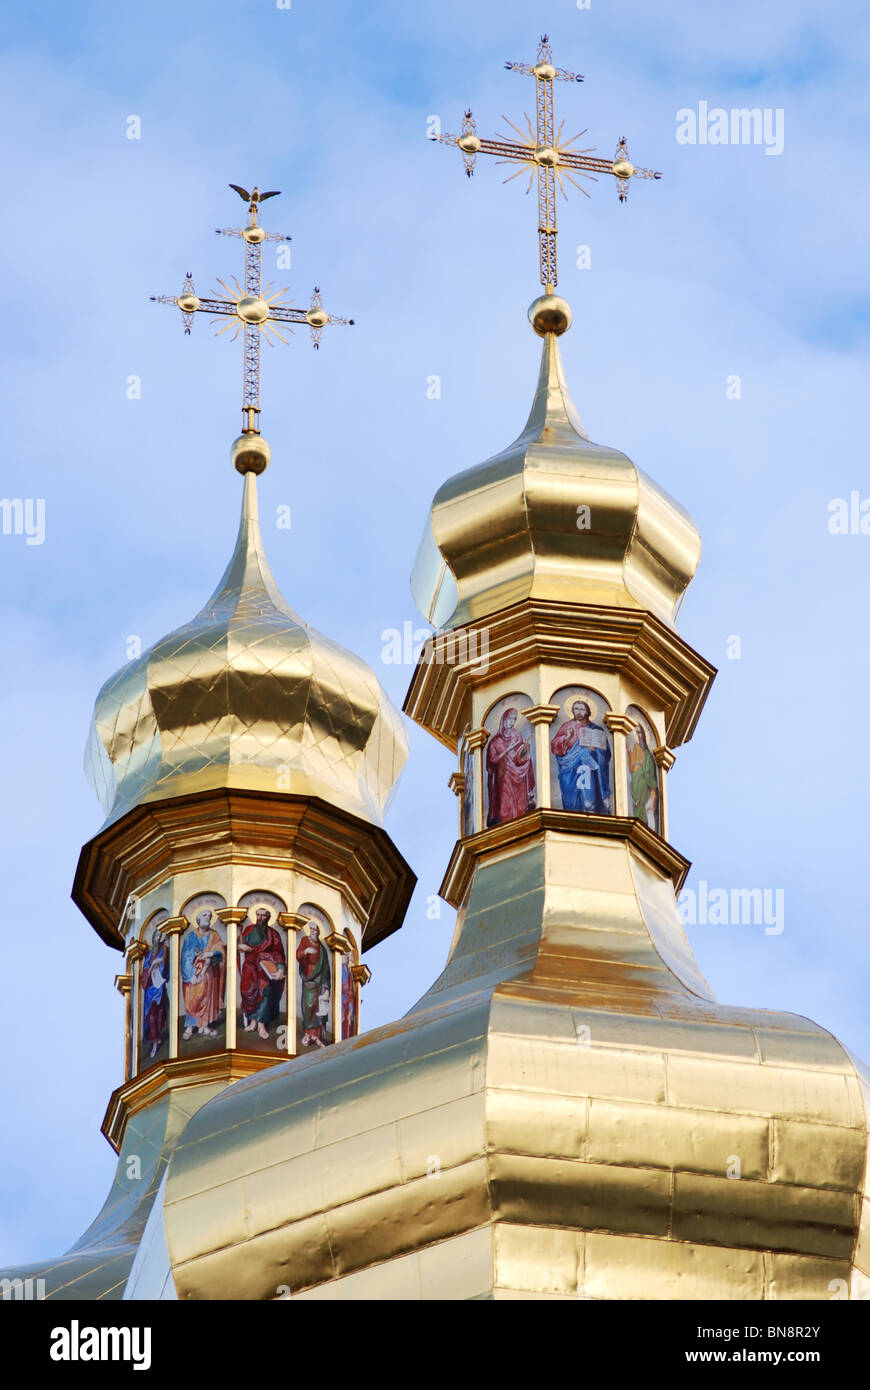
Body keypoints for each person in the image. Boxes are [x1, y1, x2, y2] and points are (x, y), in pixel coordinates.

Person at [550, 699, 612, 814]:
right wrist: (567, 737)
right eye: (576, 709)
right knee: (570, 800)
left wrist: (595, 750)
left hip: (587, 770)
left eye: (582, 709)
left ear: (587, 712)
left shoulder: (596, 729)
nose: (578, 712)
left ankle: (593, 806)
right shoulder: (566, 726)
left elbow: (606, 754)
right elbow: (554, 746)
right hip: (568, 767)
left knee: (588, 799)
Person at [239, 906, 286, 1042]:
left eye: (263, 915)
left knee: (265, 993)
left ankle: (261, 1025)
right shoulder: (248, 930)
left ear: (267, 917)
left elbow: (278, 953)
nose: (260, 918)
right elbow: (238, 943)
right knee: (249, 993)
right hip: (250, 968)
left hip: (265, 968)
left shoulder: (273, 934)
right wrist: (240, 947)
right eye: (258, 915)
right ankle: (253, 1021)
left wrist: (280, 969)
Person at [485, 707, 536, 826]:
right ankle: (507, 823)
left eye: (514, 719)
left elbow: (519, 757)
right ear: (503, 720)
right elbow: (492, 760)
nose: (511, 722)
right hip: (504, 775)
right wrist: (507, 750)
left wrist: (526, 747)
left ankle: (520, 821)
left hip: (518, 773)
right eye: (509, 719)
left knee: (519, 800)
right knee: (506, 800)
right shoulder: (495, 741)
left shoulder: (517, 734)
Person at [181, 909, 226, 1041]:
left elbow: (220, 949)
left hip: (209, 973)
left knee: (208, 997)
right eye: (205, 915)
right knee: (194, 998)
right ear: (198, 919)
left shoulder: (214, 934)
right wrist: (191, 975)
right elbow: (186, 956)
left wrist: (211, 954)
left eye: (210, 916)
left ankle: (204, 1026)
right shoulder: (191, 936)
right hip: (194, 973)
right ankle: (190, 1026)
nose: (208, 917)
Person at [296, 924, 332, 1048]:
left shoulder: (322, 949)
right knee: (308, 1007)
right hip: (308, 979)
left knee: (319, 1009)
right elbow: (298, 955)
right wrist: (305, 951)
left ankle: (316, 1036)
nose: (312, 931)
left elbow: (326, 970)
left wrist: (327, 989)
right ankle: (308, 1034)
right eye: (311, 929)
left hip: (319, 981)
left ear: (318, 932)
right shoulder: (305, 941)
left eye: (315, 930)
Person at [141, 928, 168, 1060]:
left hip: (160, 986)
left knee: (159, 1012)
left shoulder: (163, 949)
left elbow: (165, 960)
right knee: (151, 1014)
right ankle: (154, 1039)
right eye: (156, 935)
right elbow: (145, 971)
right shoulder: (149, 955)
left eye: (160, 935)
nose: (158, 937)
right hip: (150, 988)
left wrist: (160, 961)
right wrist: (151, 967)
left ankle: (158, 1039)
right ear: (153, 939)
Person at [628, 721, 659, 829]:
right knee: (636, 810)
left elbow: (650, 778)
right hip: (635, 786)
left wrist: (652, 795)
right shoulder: (635, 749)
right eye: (636, 733)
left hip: (643, 788)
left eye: (640, 733)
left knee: (642, 815)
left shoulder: (648, 756)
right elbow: (631, 768)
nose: (638, 736)